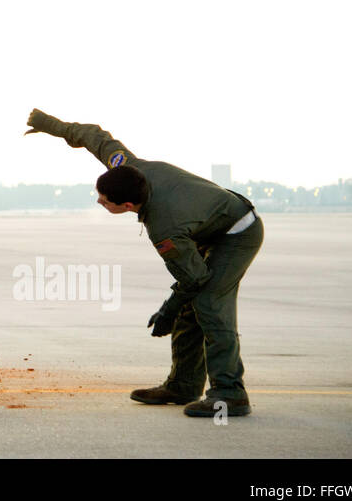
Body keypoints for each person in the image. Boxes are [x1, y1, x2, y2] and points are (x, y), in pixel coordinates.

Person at [24, 108, 263, 417]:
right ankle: (183, 385)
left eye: (105, 201)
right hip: (207, 226)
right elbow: (94, 135)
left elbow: (194, 279)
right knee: (192, 305)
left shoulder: (165, 227)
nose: (99, 201)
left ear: (126, 205)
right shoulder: (125, 166)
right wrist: (49, 124)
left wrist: (168, 310)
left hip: (237, 233)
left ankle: (230, 394)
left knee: (208, 303)